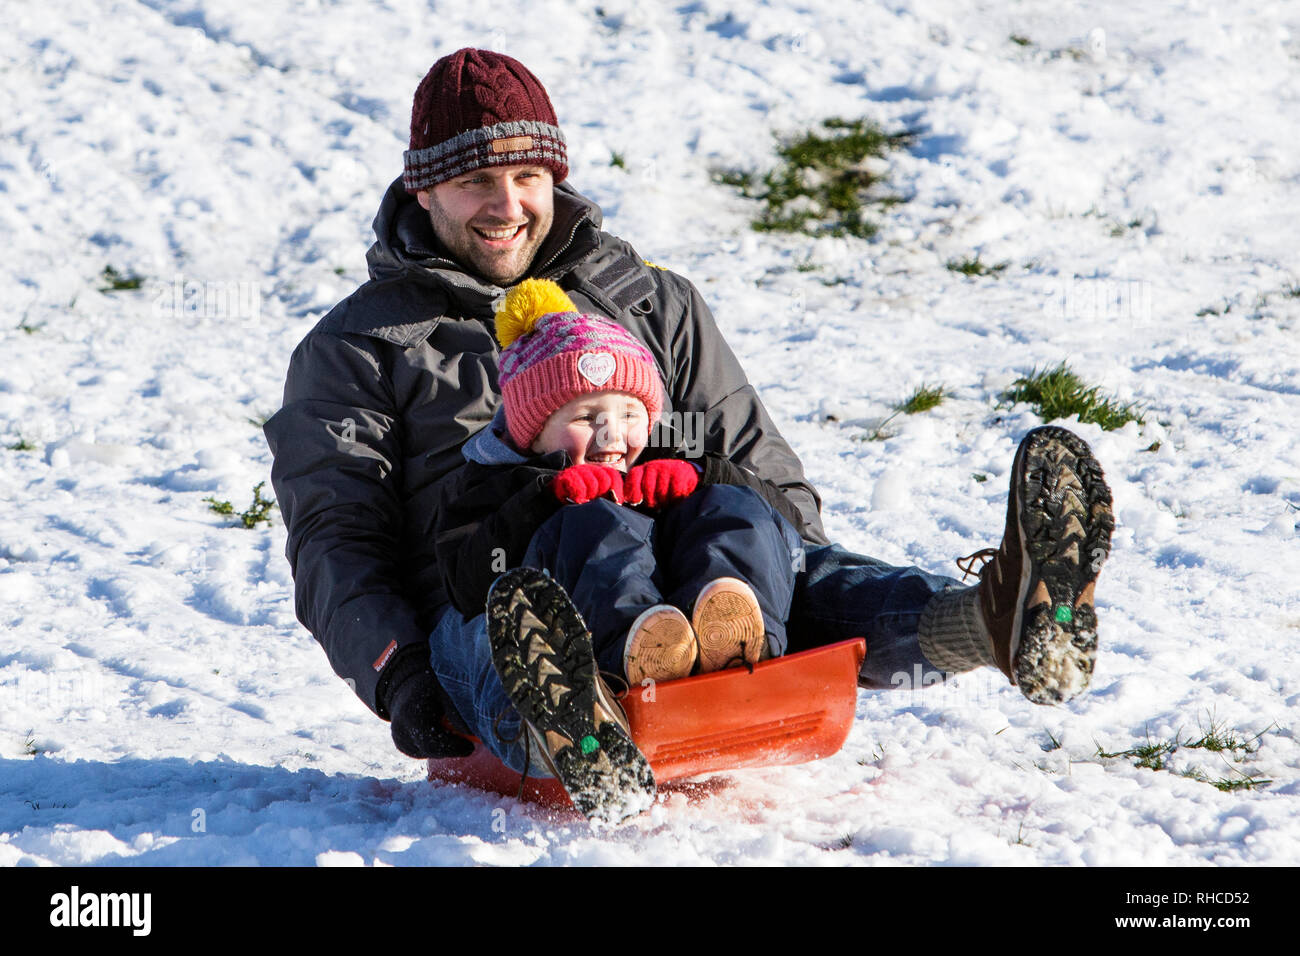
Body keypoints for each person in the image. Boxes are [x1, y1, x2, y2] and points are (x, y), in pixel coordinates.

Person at [262, 48, 1114, 819]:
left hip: (703, 573)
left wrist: (784, 562)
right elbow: (338, 540)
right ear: (422, 189)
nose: (507, 205)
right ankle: (579, 719)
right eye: (476, 181)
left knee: (784, 552)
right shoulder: (360, 348)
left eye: (527, 175)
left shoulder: (645, 301)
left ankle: (997, 618)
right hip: (493, 595)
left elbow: (754, 457)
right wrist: (394, 669)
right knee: (512, 633)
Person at [432, 277, 811, 689]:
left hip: (719, 628)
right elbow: (466, 587)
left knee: (731, 505)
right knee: (596, 524)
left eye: (629, 416)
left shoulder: (667, 455)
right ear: (533, 432)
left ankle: (738, 633)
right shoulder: (496, 484)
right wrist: (544, 500)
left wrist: (706, 477)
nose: (612, 436)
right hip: (596, 654)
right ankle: (645, 649)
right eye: (584, 418)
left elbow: (790, 524)